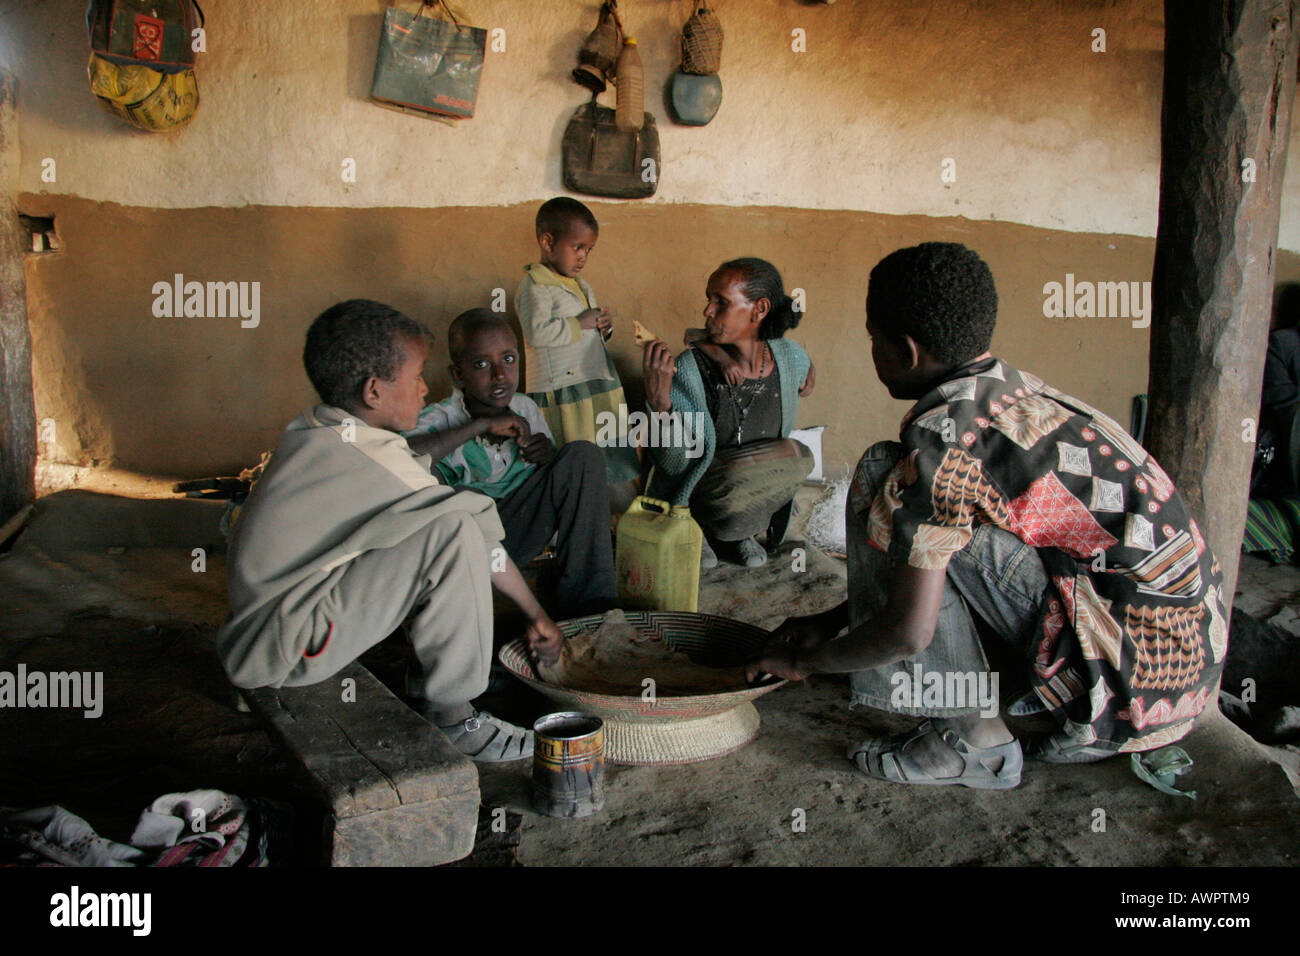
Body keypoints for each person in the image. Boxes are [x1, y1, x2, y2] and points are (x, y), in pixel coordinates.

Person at [747, 243, 1228, 789]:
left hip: (1121, 696)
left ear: (905, 350)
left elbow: (909, 633)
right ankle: (999, 697)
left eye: (872, 338)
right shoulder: (1011, 390)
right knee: (933, 518)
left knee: (892, 481)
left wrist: (804, 665)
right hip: (1179, 674)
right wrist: (833, 622)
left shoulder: (941, 441)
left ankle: (976, 741)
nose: (872, 350)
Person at [216, 299, 561, 763]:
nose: (423, 389)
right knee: (455, 531)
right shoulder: (372, 459)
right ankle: (456, 716)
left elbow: (408, 466)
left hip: (265, 630)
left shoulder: (319, 426)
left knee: (428, 527)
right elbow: (480, 540)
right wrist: (537, 616)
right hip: (288, 648)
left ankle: (428, 682)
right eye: (416, 377)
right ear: (375, 392)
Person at [404, 308, 618, 616]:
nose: (500, 375)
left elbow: (554, 486)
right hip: (470, 548)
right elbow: (400, 459)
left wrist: (547, 456)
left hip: (521, 532)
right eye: (481, 364)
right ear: (458, 374)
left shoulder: (525, 408)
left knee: (582, 455)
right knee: (449, 485)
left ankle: (593, 610)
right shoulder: (440, 419)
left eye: (508, 359)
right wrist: (478, 427)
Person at [642, 257, 816, 568]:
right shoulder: (689, 370)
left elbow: (803, 368)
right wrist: (659, 406)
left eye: (720, 302)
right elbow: (674, 463)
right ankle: (698, 528)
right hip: (700, 491)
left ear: (760, 310)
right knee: (732, 471)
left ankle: (741, 530)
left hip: (742, 489)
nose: (707, 311)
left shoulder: (791, 359)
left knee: (796, 455)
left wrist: (811, 371)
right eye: (708, 300)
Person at [514, 197, 641, 499]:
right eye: (577, 247)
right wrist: (580, 324)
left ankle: (614, 516)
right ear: (547, 241)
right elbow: (536, 332)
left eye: (589, 249)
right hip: (563, 390)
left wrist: (602, 328)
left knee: (605, 449)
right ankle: (582, 512)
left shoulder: (581, 285)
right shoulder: (534, 286)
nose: (583, 257)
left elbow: (586, 329)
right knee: (575, 450)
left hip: (594, 382)